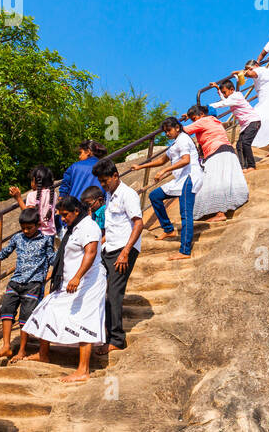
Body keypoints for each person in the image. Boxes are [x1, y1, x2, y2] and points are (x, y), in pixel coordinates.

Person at [20, 195, 107, 382]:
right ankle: (44, 354)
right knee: (47, 309)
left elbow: (90, 253)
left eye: (65, 214)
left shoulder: (89, 227)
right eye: (60, 215)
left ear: (76, 211)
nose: (63, 218)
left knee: (85, 320)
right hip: (68, 282)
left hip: (88, 282)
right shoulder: (73, 228)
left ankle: (83, 370)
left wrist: (77, 277)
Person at [0, 208, 57, 361]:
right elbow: (3, 254)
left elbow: (52, 259)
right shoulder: (18, 237)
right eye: (23, 227)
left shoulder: (46, 239)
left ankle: (22, 350)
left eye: (29, 228)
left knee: (25, 316)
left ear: (38, 224)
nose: (25, 230)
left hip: (34, 283)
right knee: (6, 310)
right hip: (15, 281)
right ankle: (6, 346)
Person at [92, 159, 144, 348]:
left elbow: (138, 223)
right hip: (109, 249)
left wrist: (125, 252)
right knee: (98, 291)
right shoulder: (109, 196)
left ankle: (117, 339)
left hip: (123, 250)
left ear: (116, 175)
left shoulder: (127, 194)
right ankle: (103, 333)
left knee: (114, 293)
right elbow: (111, 228)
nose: (103, 185)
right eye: (101, 182)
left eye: (105, 180)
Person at [136, 117, 201, 263]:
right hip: (180, 180)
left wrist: (165, 171)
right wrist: (140, 167)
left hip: (190, 178)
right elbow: (161, 160)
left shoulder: (184, 139)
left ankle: (185, 250)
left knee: (185, 214)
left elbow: (186, 160)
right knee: (155, 196)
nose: (167, 134)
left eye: (169, 130)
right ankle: (169, 229)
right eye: (165, 132)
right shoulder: (175, 143)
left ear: (177, 127)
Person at [183, 105, 249, 226]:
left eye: (194, 118)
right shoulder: (214, 120)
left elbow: (183, 130)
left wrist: (175, 123)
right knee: (222, 181)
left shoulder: (203, 120)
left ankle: (220, 214)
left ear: (201, 114)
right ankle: (221, 211)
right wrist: (190, 116)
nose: (194, 122)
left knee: (214, 182)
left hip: (216, 153)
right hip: (227, 151)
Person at [209, 79, 262, 168]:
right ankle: (243, 167)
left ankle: (251, 165)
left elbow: (224, 103)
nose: (224, 95)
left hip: (253, 121)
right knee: (239, 145)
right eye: (223, 93)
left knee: (245, 143)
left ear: (232, 90)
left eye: (225, 92)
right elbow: (225, 99)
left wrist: (208, 107)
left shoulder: (236, 96)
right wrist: (218, 89)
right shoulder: (231, 97)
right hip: (246, 125)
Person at [8, 165, 58, 236]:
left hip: (38, 235)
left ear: (34, 180)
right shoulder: (54, 194)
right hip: (51, 234)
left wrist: (18, 198)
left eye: (31, 180)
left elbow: (28, 215)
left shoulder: (32, 195)